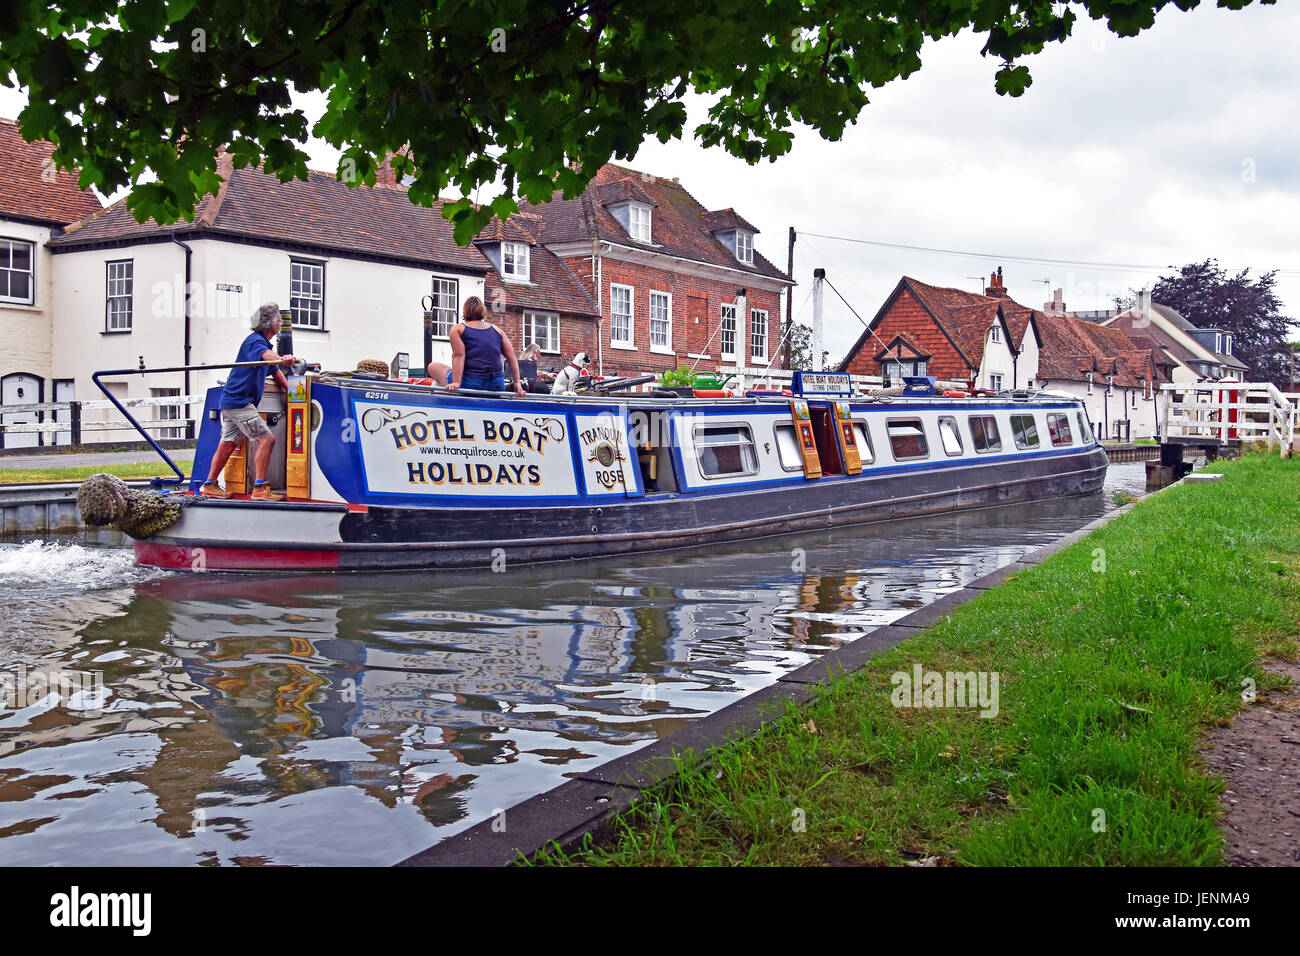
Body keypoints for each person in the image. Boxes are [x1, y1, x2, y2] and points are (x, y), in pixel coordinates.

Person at [200, 303, 299, 501]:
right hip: (240, 403)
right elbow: (269, 358)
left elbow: (274, 371)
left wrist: (293, 392)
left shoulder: (262, 344)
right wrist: (283, 358)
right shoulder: (255, 342)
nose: (281, 323)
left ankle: (209, 485)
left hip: (230, 402)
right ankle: (259, 489)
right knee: (267, 440)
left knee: (228, 443)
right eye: (279, 320)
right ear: (272, 325)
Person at [426, 296, 527, 398]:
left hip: (471, 383)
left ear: (465, 311)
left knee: (432, 367)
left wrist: (456, 383)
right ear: (483, 311)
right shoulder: (498, 330)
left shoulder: (458, 329)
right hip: (496, 385)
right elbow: (511, 357)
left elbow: (459, 355)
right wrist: (517, 383)